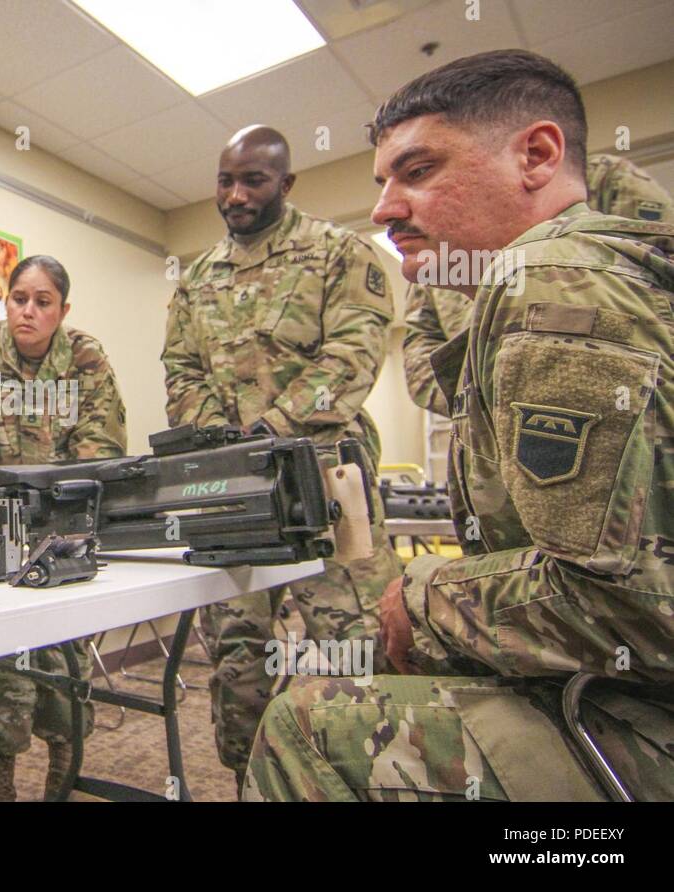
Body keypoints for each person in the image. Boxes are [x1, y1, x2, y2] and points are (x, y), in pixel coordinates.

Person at [244, 49, 674, 801]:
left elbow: (634, 604)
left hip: (643, 720)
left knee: (304, 723)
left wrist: (426, 596)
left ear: (536, 156)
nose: (382, 208)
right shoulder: (532, 272)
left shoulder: (548, 279)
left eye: (417, 172)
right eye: (382, 182)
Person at [161, 125, 402, 794]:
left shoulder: (337, 253)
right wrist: (218, 437)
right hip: (230, 487)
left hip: (322, 481)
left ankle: (353, 782)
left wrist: (270, 428)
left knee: (349, 642)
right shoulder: (198, 277)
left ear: (286, 184)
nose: (235, 195)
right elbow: (180, 367)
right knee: (237, 650)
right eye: (225, 181)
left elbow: (353, 357)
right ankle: (247, 778)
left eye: (253, 181)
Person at [0, 255, 126, 801]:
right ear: (6, 300)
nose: (28, 311)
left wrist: (61, 535)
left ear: (63, 310)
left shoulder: (86, 359)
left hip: (65, 539)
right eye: (19, 298)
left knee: (66, 661)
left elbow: (99, 453)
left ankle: (63, 778)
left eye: (43, 302)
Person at [403, 153, 672, 416]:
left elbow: (659, 277)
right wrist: (487, 397)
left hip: (629, 409)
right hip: (489, 423)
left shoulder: (602, 178)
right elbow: (418, 347)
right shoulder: (436, 243)